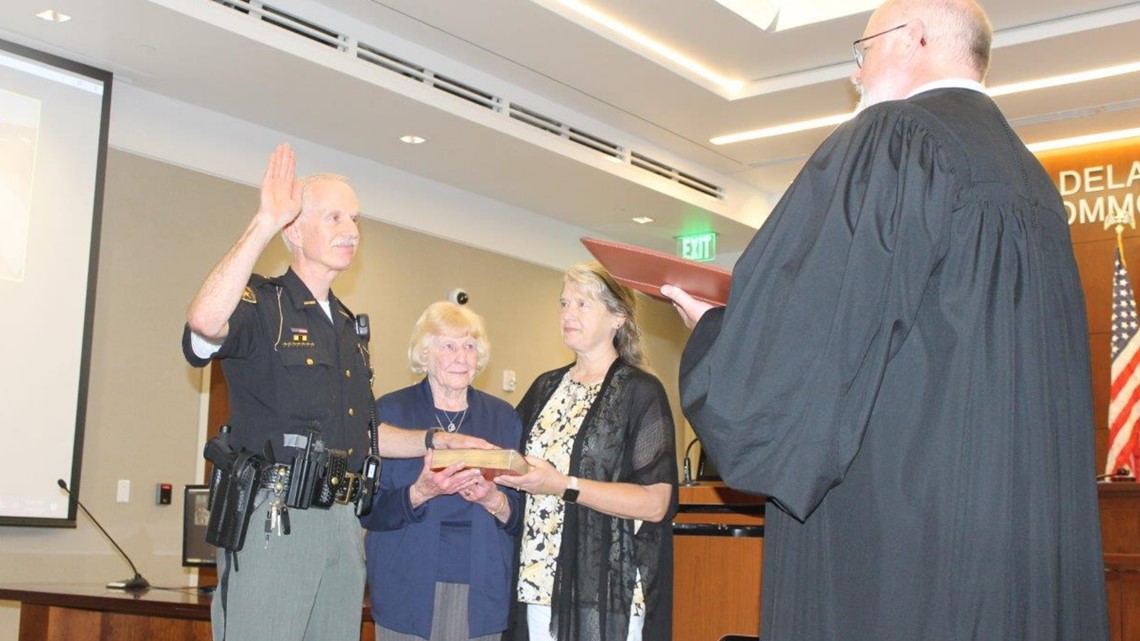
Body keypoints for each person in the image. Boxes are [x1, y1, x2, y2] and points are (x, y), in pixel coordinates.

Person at [662, 1, 1109, 640]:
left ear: (913, 38)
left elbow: (807, 347)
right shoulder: (1032, 183)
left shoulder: (895, 139)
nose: (857, 74)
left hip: (904, 548)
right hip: (1014, 544)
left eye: (863, 50)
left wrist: (716, 328)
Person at [183, 144, 486, 641]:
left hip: (343, 523)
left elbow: (367, 434)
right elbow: (203, 321)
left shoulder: (347, 326)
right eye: (335, 216)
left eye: (356, 219)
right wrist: (263, 221)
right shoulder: (263, 304)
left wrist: (434, 441)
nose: (352, 230)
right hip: (276, 518)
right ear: (295, 231)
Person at [496, 263, 678, 641]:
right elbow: (511, 463)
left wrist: (564, 485)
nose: (568, 314)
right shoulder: (545, 387)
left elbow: (655, 502)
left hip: (607, 587)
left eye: (582, 304)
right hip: (540, 582)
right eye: (564, 303)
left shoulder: (640, 393)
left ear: (618, 318)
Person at [361, 301, 524, 641]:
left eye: (469, 346)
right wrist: (419, 492)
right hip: (406, 583)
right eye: (448, 345)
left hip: (482, 589)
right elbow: (368, 512)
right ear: (425, 353)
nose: (462, 356)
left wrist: (494, 499)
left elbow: (523, 515)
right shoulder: (390, 412)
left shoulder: (503, 417)